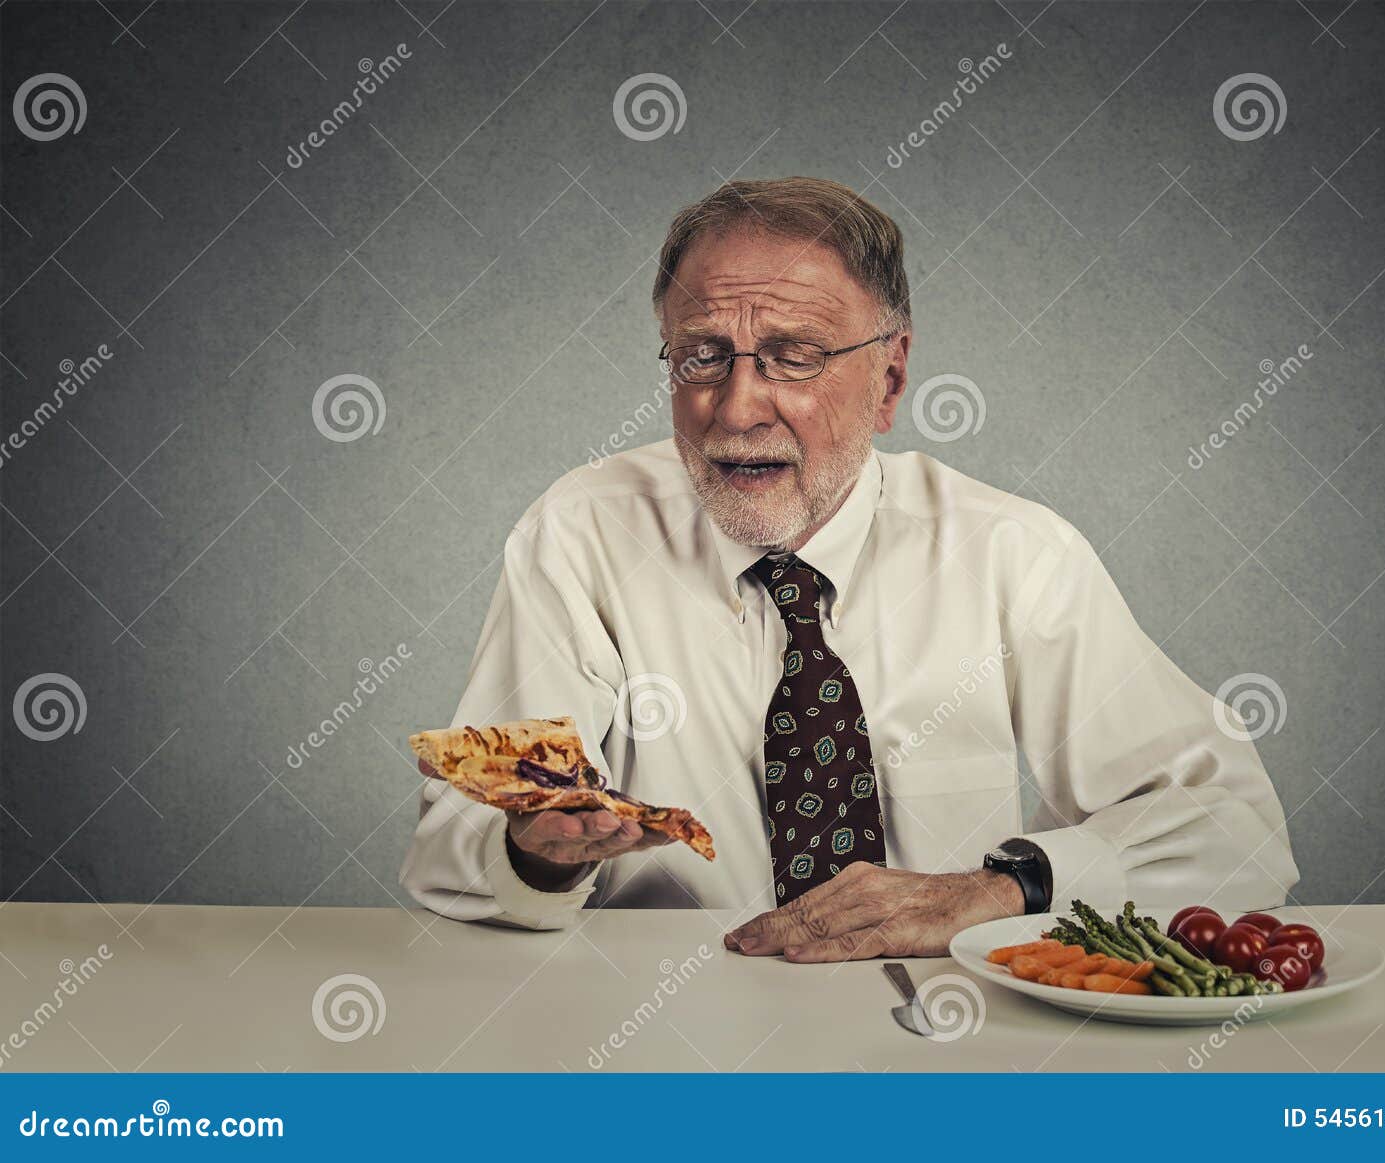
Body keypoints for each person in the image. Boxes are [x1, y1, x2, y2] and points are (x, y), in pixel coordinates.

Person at [400, 176, 1298, 962]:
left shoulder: (1011, 553)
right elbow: (458, 854)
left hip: (947, 1047)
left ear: (892, 377)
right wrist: (533, 852)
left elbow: (1238, 831)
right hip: (664, 1046)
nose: (737, 407)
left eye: (795, 355)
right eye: (702, 355)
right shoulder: (583, 533)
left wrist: (1000, 890)